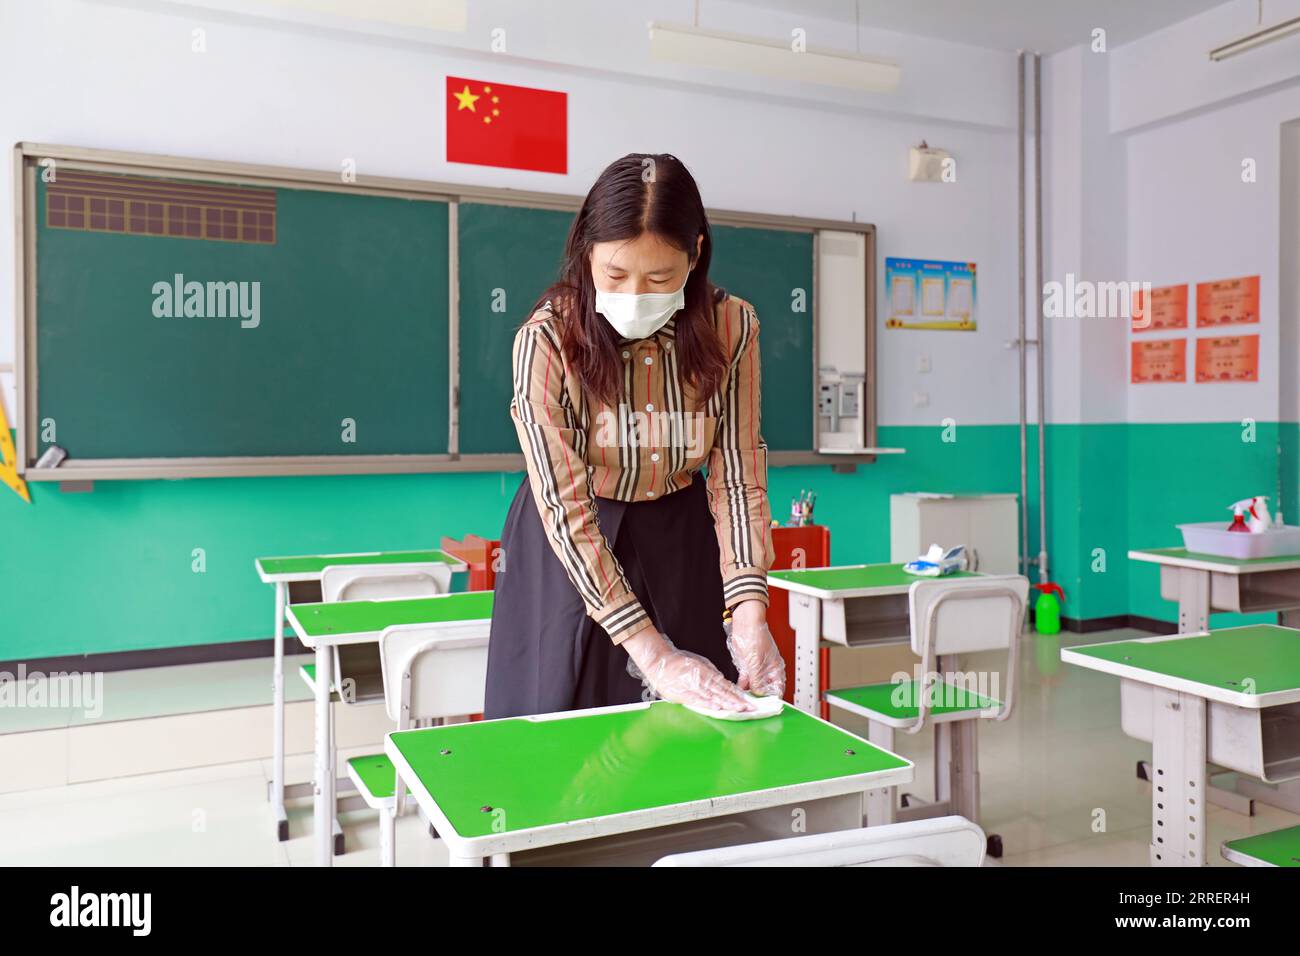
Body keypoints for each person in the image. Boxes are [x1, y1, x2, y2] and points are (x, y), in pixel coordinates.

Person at [484, 152, 785, 719]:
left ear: (695, 255)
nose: (635, 294)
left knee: (696, 723)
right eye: (615, 276)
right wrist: (653, 653)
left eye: (660, 277)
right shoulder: (547, 339)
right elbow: (564, 507)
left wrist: (748, 607)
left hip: (680, 534)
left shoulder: (732, 326)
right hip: (570, 545)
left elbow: (739, 470)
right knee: (561, 727)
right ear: (586, 255)